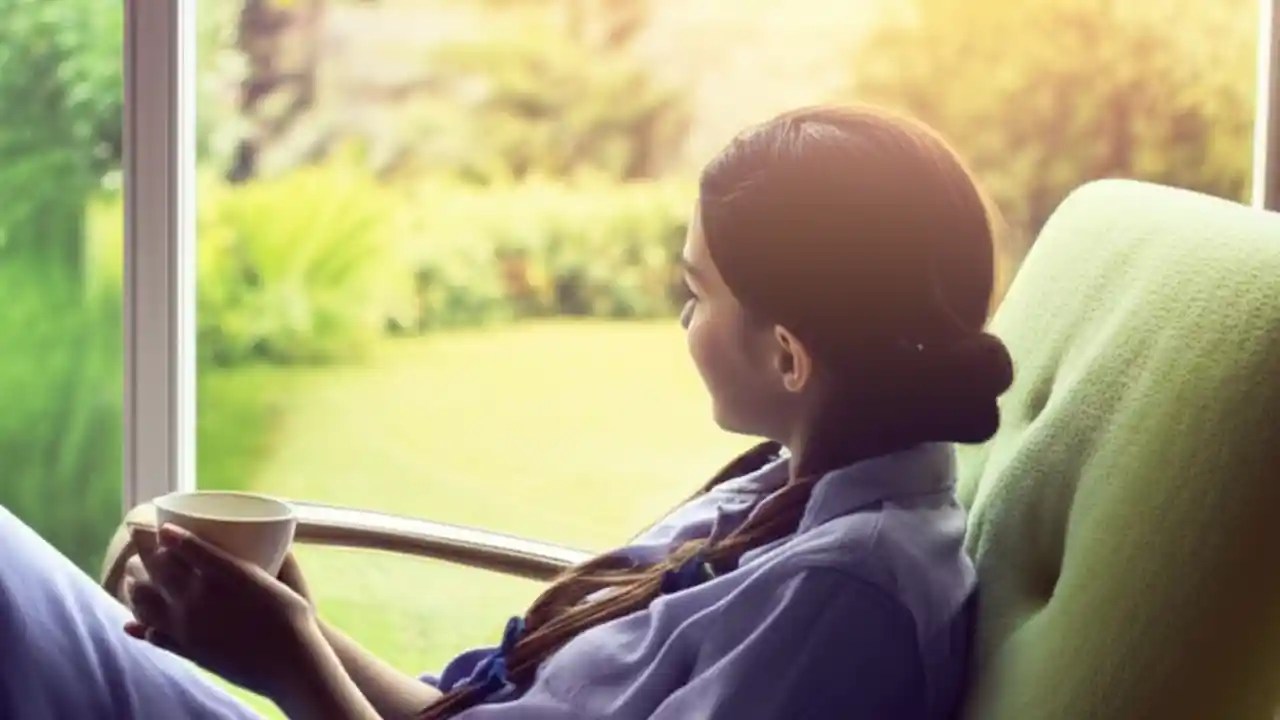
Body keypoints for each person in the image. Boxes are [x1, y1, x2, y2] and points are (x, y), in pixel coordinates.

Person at [0, 104, 1012, 720]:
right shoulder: (772, 497)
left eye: (696, 290)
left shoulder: (839, 602)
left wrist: (289, 662)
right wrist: (296, 631)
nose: (681, 313)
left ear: (787, 354)